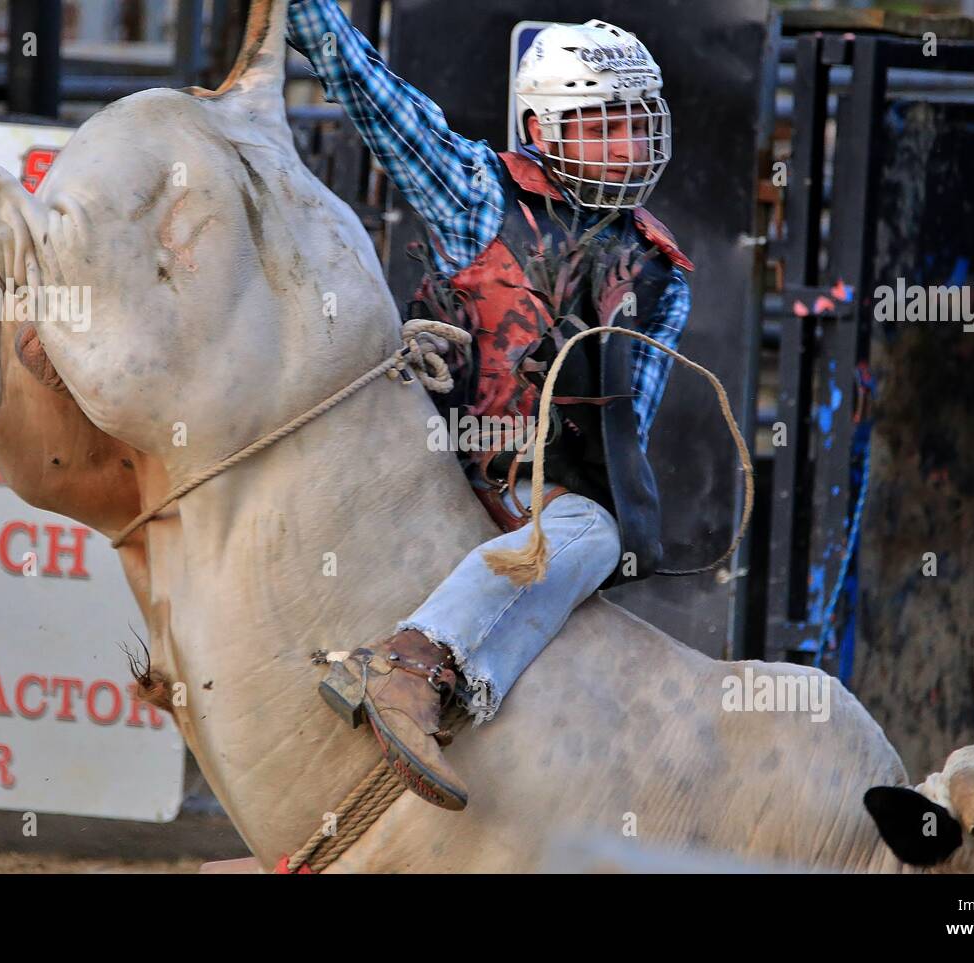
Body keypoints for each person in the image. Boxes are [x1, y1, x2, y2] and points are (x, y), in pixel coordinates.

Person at [287, 2, 694, 811]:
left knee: (598, 529)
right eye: (602, 125)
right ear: (542, 130)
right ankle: (409, 664)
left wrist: (576, 411)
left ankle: (436, 689)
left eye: (637, 124)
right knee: (590, 534)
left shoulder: (659, 272)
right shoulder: (479, 192)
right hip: (420, 444)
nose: (628, 146)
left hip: (530, 485)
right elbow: (366, 87)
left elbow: (625, 438)